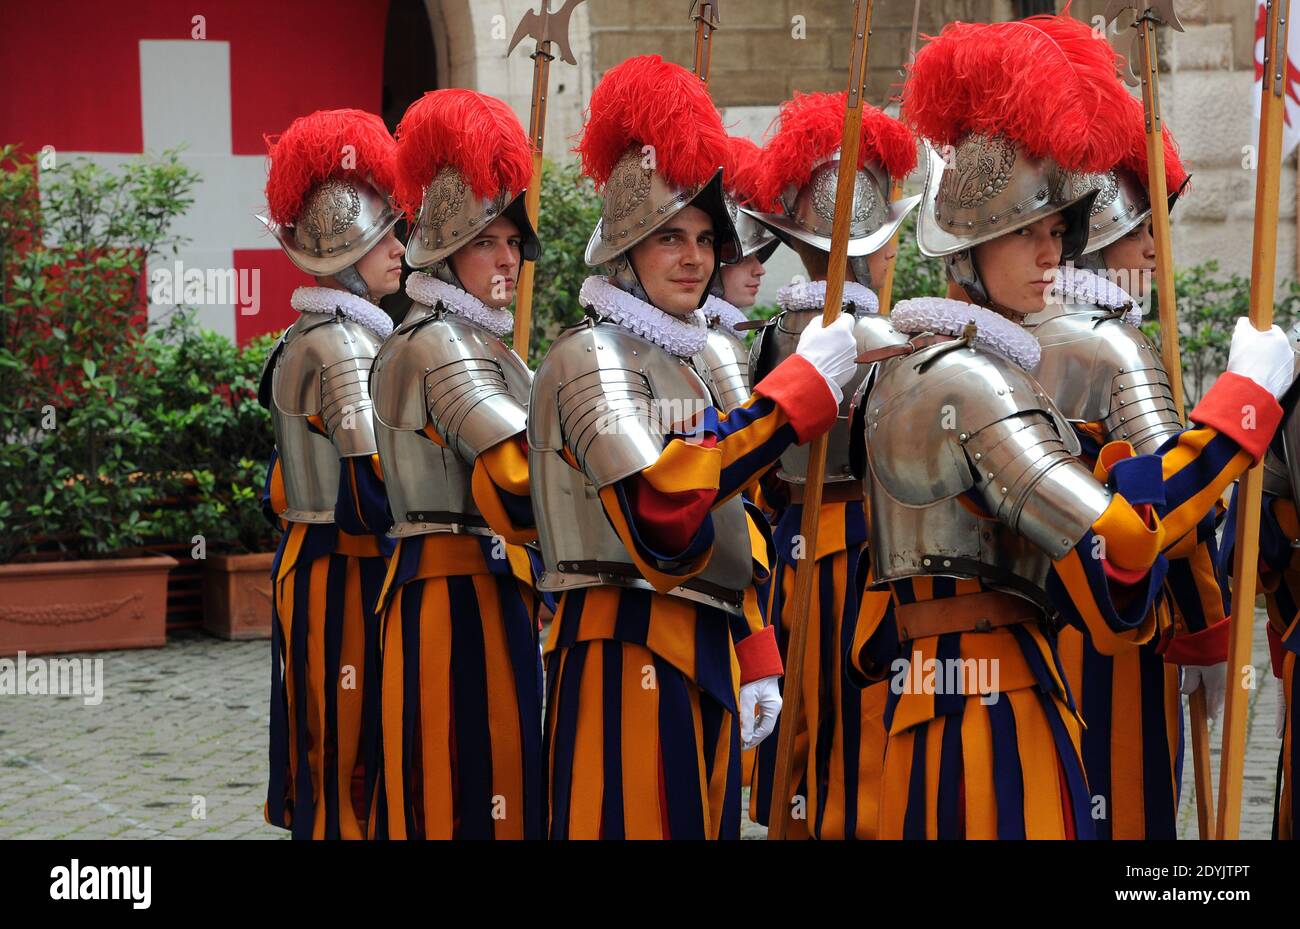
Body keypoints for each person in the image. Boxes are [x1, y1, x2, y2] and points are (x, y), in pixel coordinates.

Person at [850, 14, 1295, 839]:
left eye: (1055, 230)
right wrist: (1240, 410)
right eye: (1024, 232)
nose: (1050, 252)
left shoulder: (932, 359)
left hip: (953, 694)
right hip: (989, 711)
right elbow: (1121, 536)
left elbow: (1109, 495)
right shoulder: (969, 380)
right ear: (968, 250)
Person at [529, 55, 859, 839]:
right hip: (618, 638)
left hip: (707, 636)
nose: (694, 257)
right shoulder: (589, 356)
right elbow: (663, 508)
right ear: (625, 251)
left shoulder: (704, 354)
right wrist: (798, 394)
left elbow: (739, 511)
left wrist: (756, 643)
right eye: (669, 237)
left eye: (706, 238)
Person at [1012, 88, 1219, 838]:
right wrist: (1206, 627)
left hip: (1027, 632)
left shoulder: (1013, 328)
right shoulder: (1115, 347)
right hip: (1121, 628)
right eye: (1142, 234)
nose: (1157, 250)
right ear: (1095, 243)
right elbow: (1174, 509)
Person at [366, 90, 544, 839]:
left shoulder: (485, 340)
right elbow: (526, 469)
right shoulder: (437, 342)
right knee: (453, 777)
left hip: (494, 581)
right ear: (445, 250)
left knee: (503, 772)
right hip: (447, 588)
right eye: (486, 242)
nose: (507, 258)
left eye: (512, 241)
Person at [742, 91, 921, 840]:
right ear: (869, 246)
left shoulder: (767, 334)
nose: (893, 257)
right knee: (855, 744)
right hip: (863, 557)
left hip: (789, 556)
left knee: (802, 749)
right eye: (888, 245)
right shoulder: (883, 335)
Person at [257, 108, 403, 839]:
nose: (402, 250)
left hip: (319, 559)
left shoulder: (316, 331)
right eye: (387, 238)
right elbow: (369, 489)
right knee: (346, 742)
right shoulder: (343, 343)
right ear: (347, 247)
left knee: (344, 737)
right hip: (340, 567)